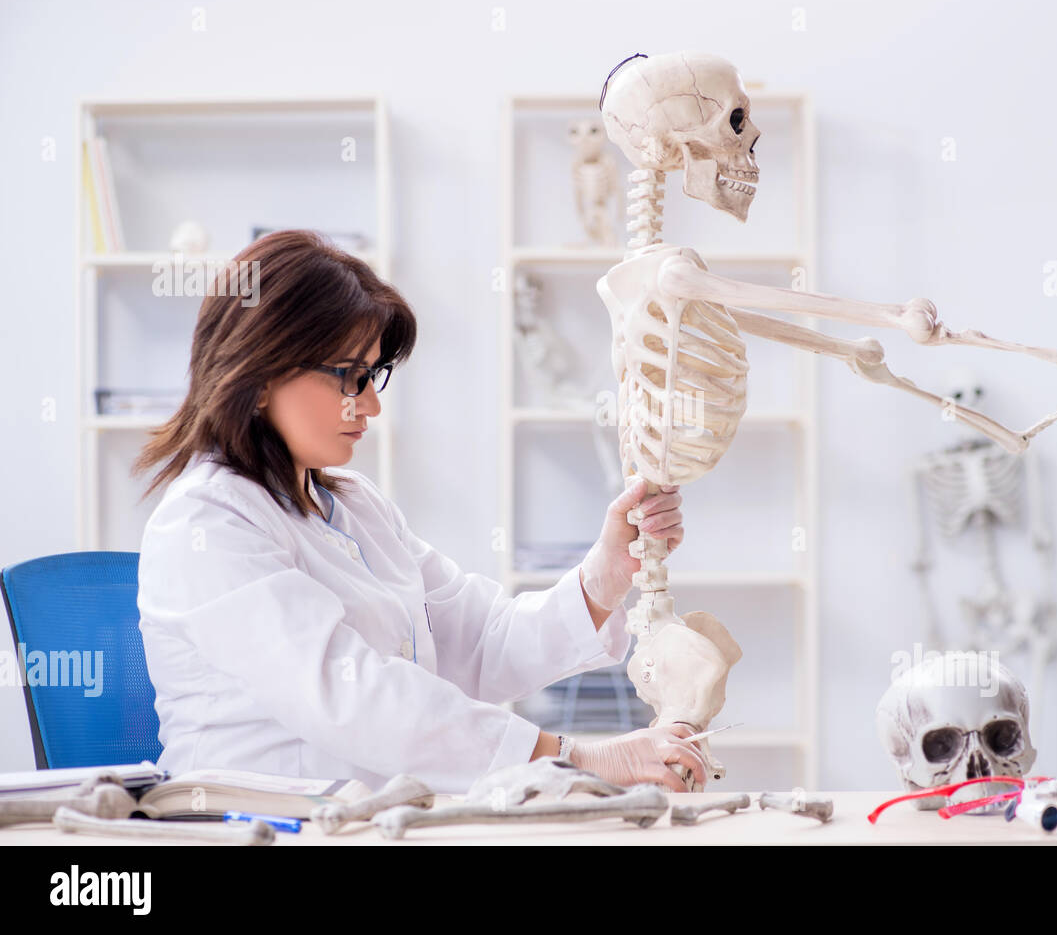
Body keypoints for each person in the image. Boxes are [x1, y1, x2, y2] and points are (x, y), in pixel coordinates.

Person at [133, 229, 705, 793]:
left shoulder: (355, 507)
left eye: (373, 375)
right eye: (349, 377)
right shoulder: (204, 525)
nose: (372, 404)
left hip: (377, 823)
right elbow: (354, 696)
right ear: (258, 379)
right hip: (260, 830)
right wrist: (575, 758)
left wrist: (604, 576)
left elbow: (481, 640)